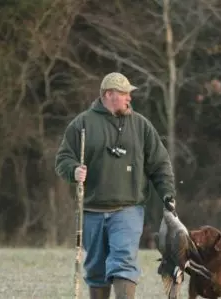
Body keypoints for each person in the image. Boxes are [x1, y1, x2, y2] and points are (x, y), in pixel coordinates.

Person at [55, 72, 176, 299]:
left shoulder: (141, 126)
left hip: (128, 209)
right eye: (124, 94)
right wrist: (73, 170)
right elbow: (62, 159)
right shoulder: (82, 124)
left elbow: (159, 164)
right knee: (97, 269)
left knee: (123, 261)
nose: (129, 98)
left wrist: (167, 193)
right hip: (92, 211)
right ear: (108, 94)